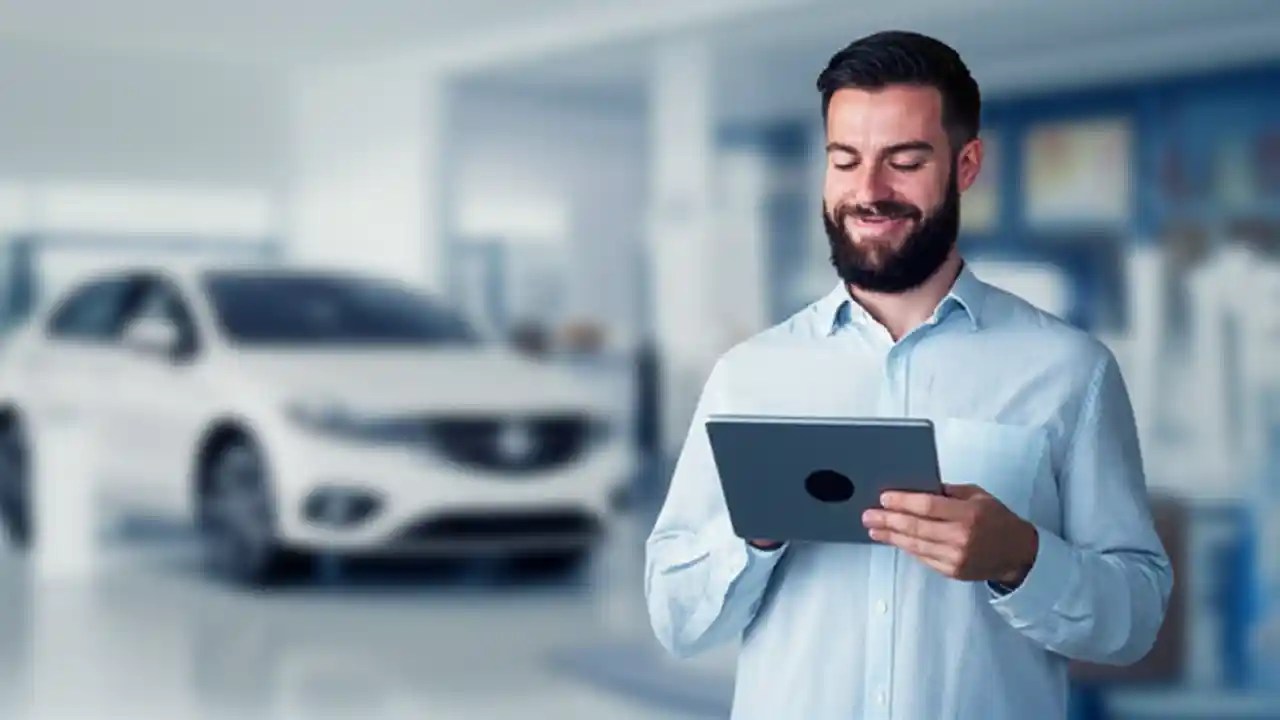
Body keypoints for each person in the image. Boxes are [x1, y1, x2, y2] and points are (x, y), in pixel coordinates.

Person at [644, 30, 1172, 720]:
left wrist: (1024, 559)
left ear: (967, 164)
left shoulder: (1069, 372)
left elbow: (1135, 620)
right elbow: (675, 618)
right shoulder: (751, 375)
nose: (869, 191)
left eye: (905, 160)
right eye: (845, 161)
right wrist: (754, 534)